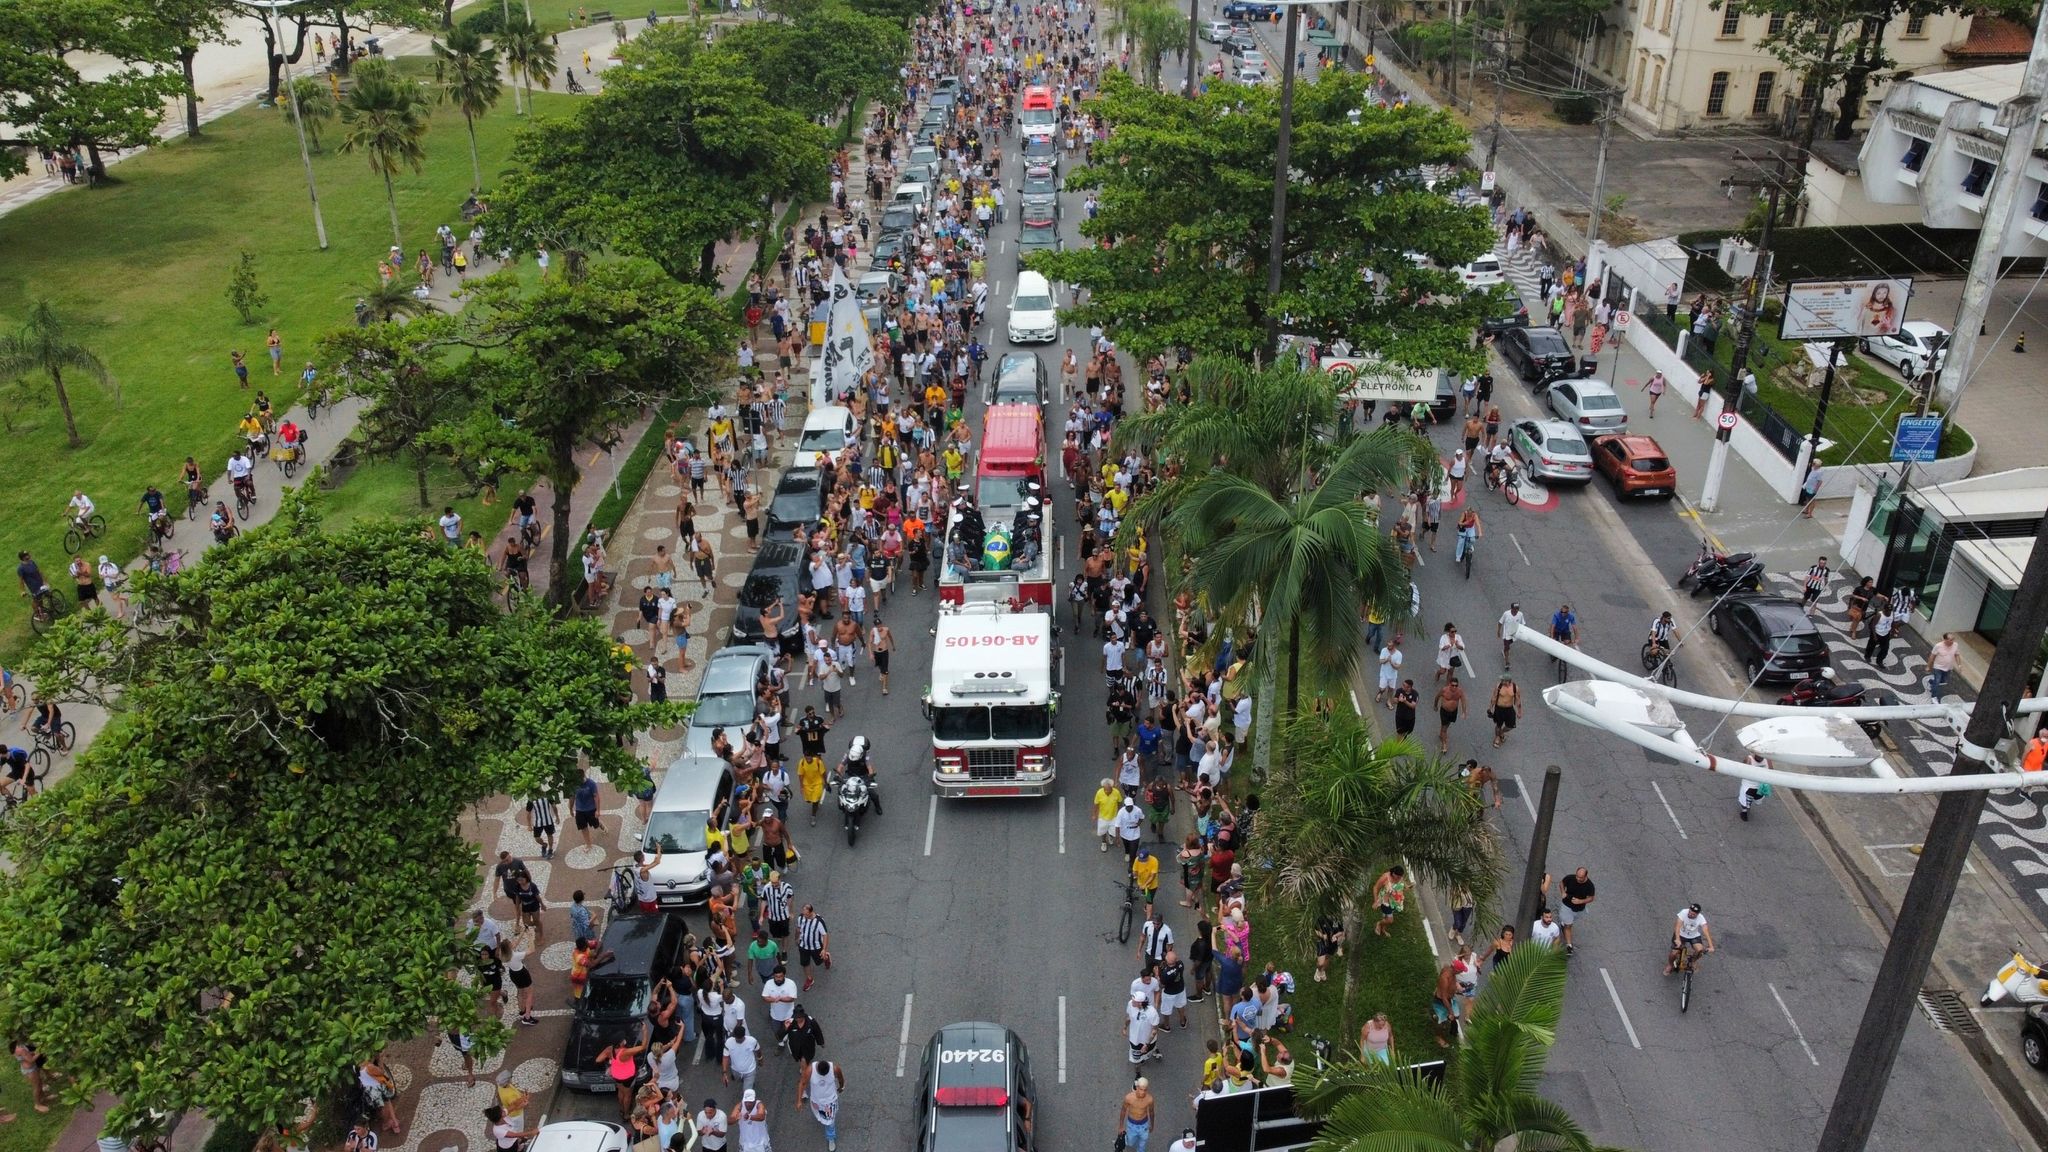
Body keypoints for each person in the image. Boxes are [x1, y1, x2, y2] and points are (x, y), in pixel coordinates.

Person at [798, 1058, 844, 1152]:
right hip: (816, 1101)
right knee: (821, 1117)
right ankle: (825, 1121)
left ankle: (831, 1138)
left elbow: (840, 1078)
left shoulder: (835, 1069)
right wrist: (799, 1100)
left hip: (830, 1101)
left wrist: (841, 1086)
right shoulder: (810, 1070)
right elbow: (802, 1083)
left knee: (830, 1122)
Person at [1665, 903, 1714, 974]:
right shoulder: (1684, 912)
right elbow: (1677, 926)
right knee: (1674, 953)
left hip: (1693, 936)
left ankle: (1693, 961)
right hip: (1681, 935)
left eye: (1693, 914)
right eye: (1690, 912)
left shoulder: (1701, 918)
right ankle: (1670, 965)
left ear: (1697, 914)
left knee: (1700, 950)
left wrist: (1711, 946)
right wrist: (1678, 939)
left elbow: (1706, 931)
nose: (1690, 914)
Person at [1558, 867, 1595, 955]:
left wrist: (1580, 901)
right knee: (1568, 925)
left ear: (1586, 876)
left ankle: (1564, 923)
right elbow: (1561, 883)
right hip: (1567, 905)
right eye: (1577, 876)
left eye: (1580, 877)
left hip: (1579, 909)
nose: (1578, 878)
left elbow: (1591, 898)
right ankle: (1569, 946)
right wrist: (1563, 892)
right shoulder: (1570, 878)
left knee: (1570, 922)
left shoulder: (1590, 886)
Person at [1121, 1077, 1158, 1152]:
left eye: (1145, 1090)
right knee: (1130, 1143)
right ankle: (1125, 1139)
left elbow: (1151, 1112)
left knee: (1142, 1144)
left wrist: (1152, 1125)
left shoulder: (1149, 1099)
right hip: (1132, 1125)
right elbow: (1123, 1111)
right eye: (1141, 1089)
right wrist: (1121, 1126)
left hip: (1144, 1125)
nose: (1143, 1092)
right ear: (1137, 1087)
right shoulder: (1129, 1098)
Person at [1371, 865, 1408, 936]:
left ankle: (1383, 929)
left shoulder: (1399, 877)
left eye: (1400, 877)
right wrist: (1375, 901)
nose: (1399, 879)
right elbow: (1375, 887)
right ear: (1393, 873)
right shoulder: (1385, 877)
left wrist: (1407, 886)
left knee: (1386, 917)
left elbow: (1402, 881)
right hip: (1386, 902)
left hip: (1394, 902)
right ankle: (1379, 923)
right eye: (1398, 877)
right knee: (1390, 920)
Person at [1487, 676, 1520, 748]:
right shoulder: (1499, 686)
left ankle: (1501, 732)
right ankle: (1497, 737)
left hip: (1509, 709)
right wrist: (1490, 708)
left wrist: (1519, 711)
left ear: (1508, 681)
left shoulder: (1515, 687)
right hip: (1499, 709)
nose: (1501, 681)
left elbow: (1518, 699)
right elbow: (1494, 697)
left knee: (1510, 726)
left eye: (1503, 680)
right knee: (1498, 725)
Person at [1927, 632, 1960, 698]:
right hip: (1938, 667)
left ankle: (1930, 681)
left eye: (1953, 639)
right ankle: (1934, 697)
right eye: (1950, 640)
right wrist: (1928, 666)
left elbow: (1957, 655)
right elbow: (1932, 656)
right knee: (1937, 681)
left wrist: (1959, 665)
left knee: (1943, 681)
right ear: (1945, 640)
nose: (1952, 641)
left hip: (1948, 668)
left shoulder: (1955, 645)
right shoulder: (1938, 646)